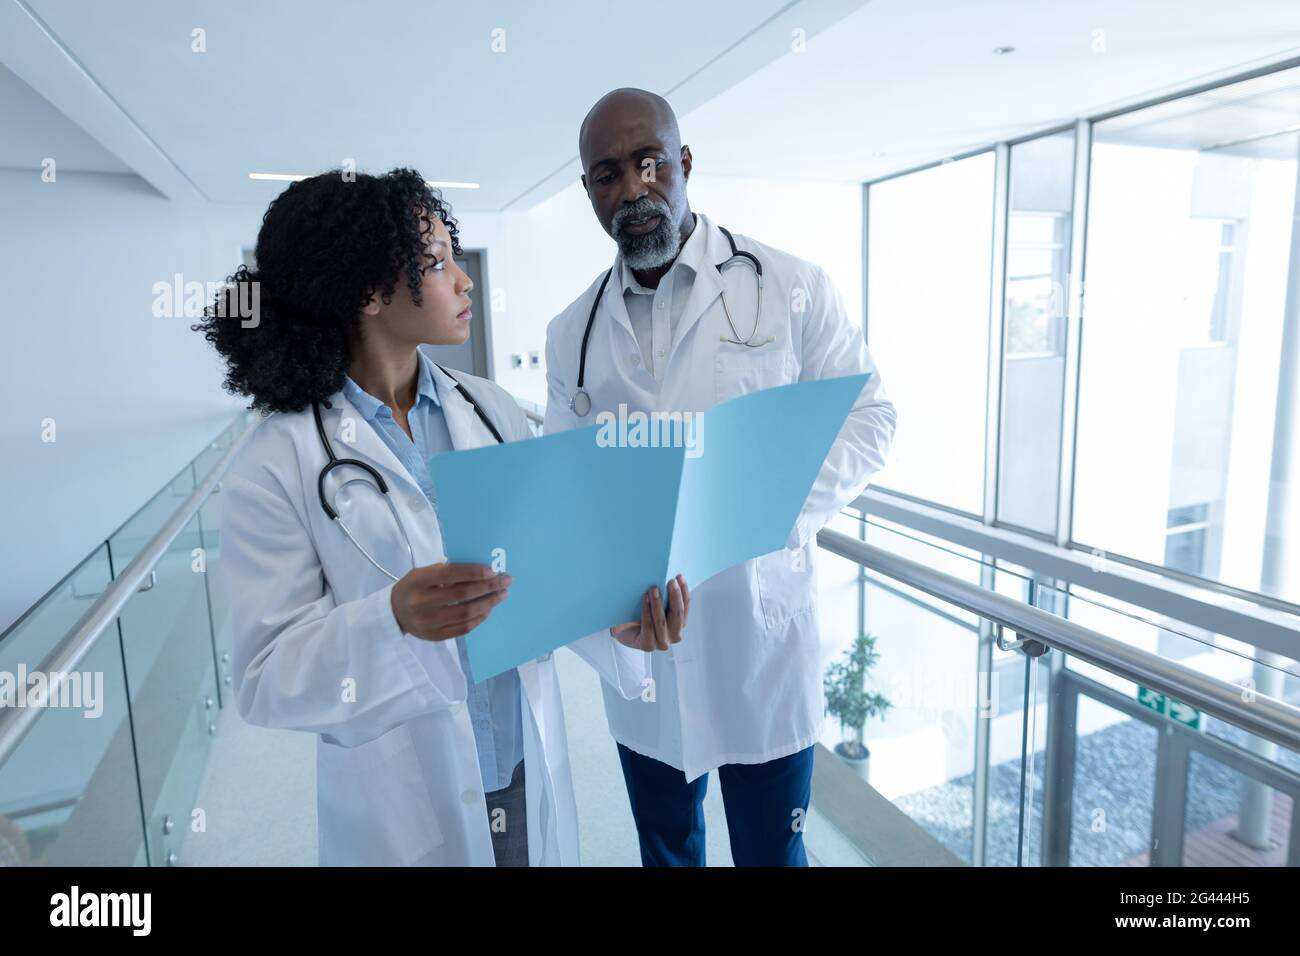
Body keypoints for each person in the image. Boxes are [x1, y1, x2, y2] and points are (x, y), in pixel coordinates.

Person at [196, 168, 688, 866]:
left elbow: (541, 576)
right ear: (368, 292)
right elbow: (263, 677)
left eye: (456, 256)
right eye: (437, 262)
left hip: (518, 761)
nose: (465, 281)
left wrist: (614, 618)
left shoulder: (489, 407)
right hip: (406, 796)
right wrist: (391, 620)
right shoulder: (274, 460)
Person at [544, 90, 896, 866]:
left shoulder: (789, 285)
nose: (633, 190)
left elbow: (872, 420)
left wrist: (767, 509)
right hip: (645, 656)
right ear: (589, 192)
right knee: (668, 852)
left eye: (649, 163)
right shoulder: (570, 333)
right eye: (608, 175)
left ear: (684, 163)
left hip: (760, 637)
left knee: (775, 855)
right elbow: (570, 493)